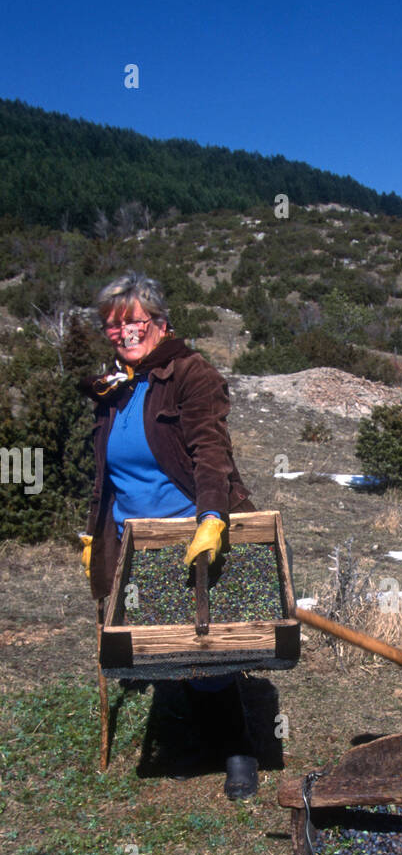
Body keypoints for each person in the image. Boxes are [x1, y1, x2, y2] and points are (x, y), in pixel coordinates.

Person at [81, 271, 260, 799]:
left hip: (188, 531)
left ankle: (238, 750)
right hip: (132, 535)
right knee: (163, 648)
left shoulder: (190, 373)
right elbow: (104, 470)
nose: (125, 333)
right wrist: (95, 532)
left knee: (207, 645)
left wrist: (212, 516)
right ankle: (195, 742)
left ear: (159, 322)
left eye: (134, 321)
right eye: (113, 325)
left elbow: (211, 450)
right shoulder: (113, 386)